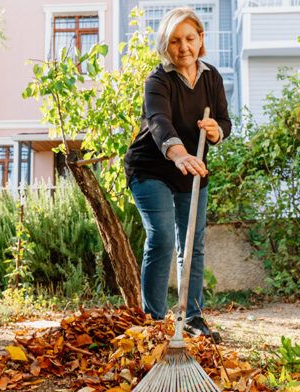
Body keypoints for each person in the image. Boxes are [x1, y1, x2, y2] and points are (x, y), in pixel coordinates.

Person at [124, 6, 231, 342]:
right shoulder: (158, 80)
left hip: (192, 169)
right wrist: (178, 151)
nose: (183, 47)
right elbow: (158, 121)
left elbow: (225, 122)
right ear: (165, 45)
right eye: (175, 41)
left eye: (190, 38)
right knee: (163, 238)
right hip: (151, 167)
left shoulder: (211, 77)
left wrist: (216, 132)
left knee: (193, 245)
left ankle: (192, 318)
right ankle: (154, 320)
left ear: (201, 39)